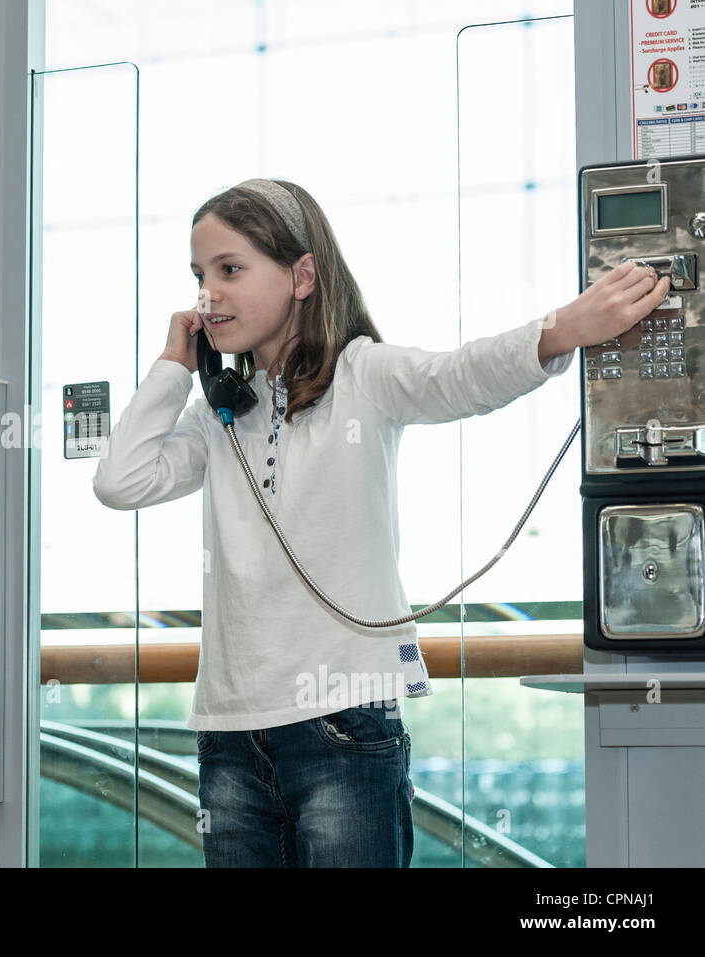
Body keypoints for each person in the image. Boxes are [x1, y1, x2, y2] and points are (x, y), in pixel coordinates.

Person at [92, 179, 669, 867]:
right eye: (198, 276)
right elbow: (118, 480)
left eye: (229, 269)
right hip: (231, 734)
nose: (206, 295)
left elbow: (459, 375)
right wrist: (173, 367)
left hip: (344, 727)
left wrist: (562, 330)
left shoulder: (362, 375)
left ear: (303, 274)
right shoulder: (219, 413)